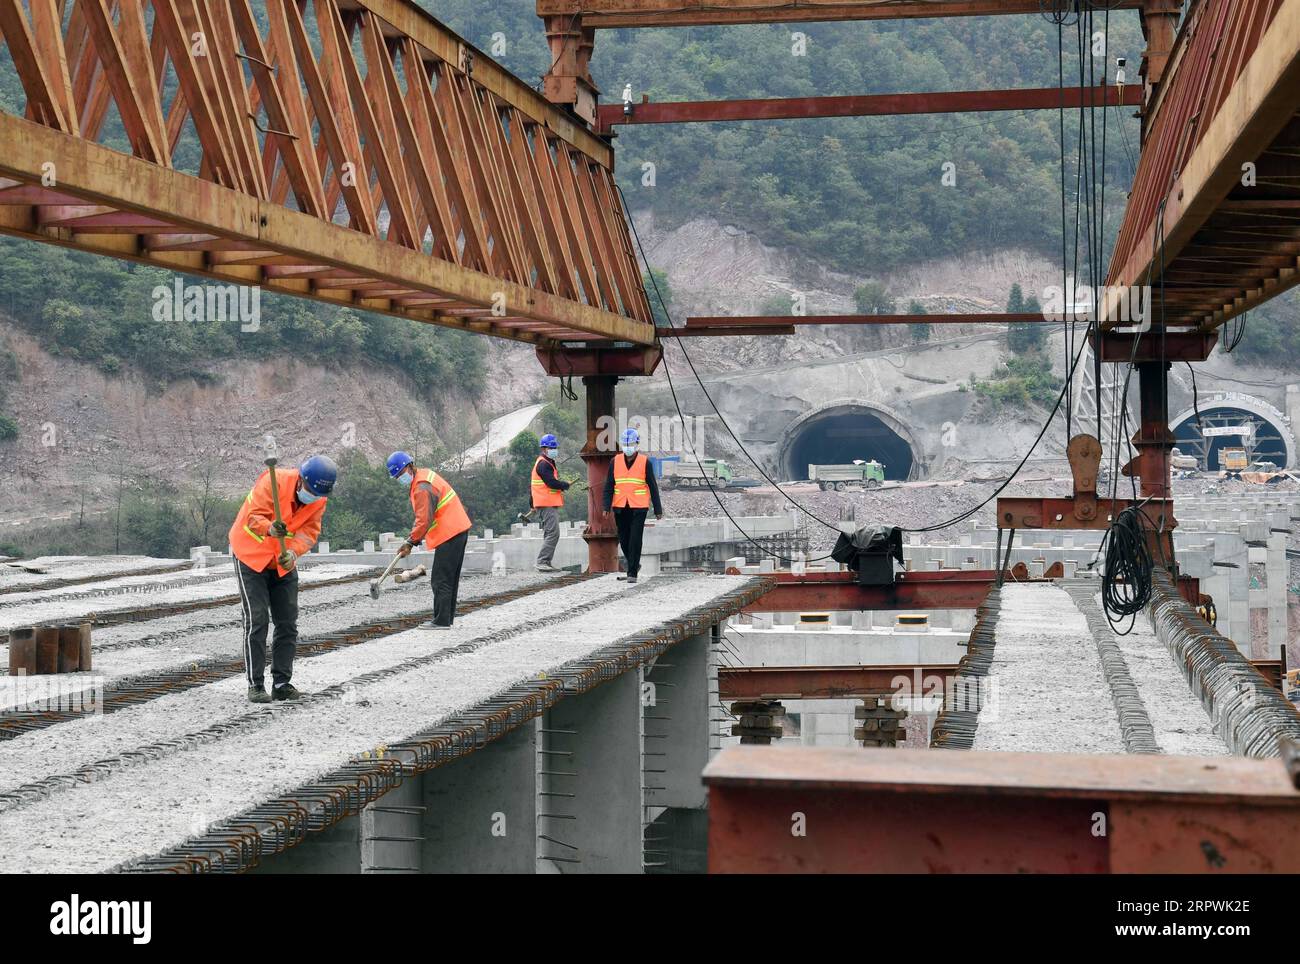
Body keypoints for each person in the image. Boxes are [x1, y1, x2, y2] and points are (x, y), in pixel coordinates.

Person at [229, 454, 337, 703]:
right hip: (251, 555)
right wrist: (268, 527)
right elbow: (253, 517)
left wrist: (293, 551)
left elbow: (310, 532)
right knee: (257, 620)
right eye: (310, 490)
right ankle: (255, 685)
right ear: (301, 480)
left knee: (287, 622)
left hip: (282, 559)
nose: (313, 496)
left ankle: (281, 683)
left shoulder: (318, 499)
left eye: (319, 493)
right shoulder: (273, 482)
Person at [388, 451, 472, 629]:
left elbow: (424, 519)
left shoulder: (421, 486)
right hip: (457, 529)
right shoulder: (424, 476)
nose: (400, 478)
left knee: (440, 579)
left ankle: (441, 621)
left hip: (450, 532)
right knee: (449, 578)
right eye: (397, 477)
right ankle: (446, 619)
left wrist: (410, 542)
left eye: (401, 474)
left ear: (410, 466)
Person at [602, 428, 663, 584]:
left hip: (639, 507)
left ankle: (632, 573)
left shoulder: (645, 462)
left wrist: (658, 509)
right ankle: (634, 563)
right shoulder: (614, 462)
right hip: (620, 506)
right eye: (625, 444)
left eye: (631, 444)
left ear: (637, 444)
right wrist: (606, 506)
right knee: (623, 539)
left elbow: (652, 486)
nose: (628, 447)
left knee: (635, 539)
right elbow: (609, 486)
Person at [531, 433, 570, 572]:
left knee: (549, 533)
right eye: (551, 447)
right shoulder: (543, 464)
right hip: (546, 504)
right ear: (544, 449)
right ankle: (542, 561)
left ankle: (545, 562)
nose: (554, 450)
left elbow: (536, 485)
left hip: (545, 503)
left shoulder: (546, 463)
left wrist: (532, 503)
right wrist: (564, 485)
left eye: (554, 447)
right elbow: (551, 483)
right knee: (554, 533)